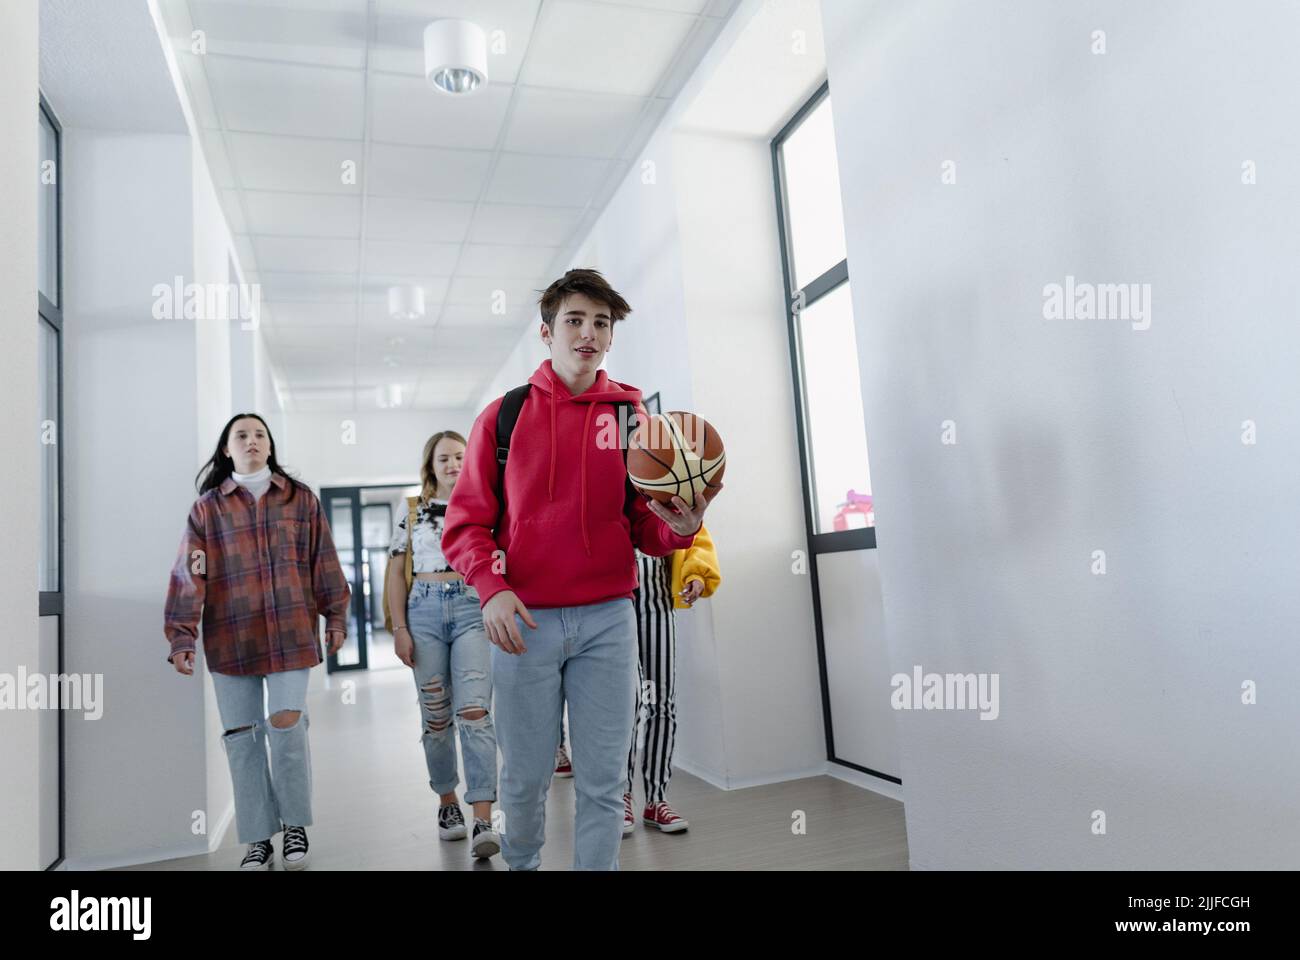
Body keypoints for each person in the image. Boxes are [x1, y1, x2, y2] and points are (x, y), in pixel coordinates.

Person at [442, 268, 721, 871]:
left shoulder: (633, 421)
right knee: (524, 779)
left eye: (601, 323)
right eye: (575, 320)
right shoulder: (503, 418)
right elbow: (464, 526)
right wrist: (490, 590)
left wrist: (681, 524)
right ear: (547, 332)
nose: (588, 333)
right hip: (524, 625)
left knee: (602, 781)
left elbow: (644, 528)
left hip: (608, 621)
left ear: (612, 336)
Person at [164, 413, 350, 870]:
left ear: (269, 446)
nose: (251, 441)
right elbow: (190, 575)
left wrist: (335, 616)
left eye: (259, 435)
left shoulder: (300, 500)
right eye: (241, 435)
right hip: (231, 637)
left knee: (286, 729)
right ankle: (257, 837)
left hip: (290, 632)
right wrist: (182, 635)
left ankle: (293, 827)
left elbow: (322, 560)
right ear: (227, 449)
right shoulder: (207, 508)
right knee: (243, 739)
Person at [385, 431, 500, 859]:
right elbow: (397, 571)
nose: (453, 464)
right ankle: (448, 803)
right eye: (444, 458)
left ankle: (484, 819)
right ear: (430, 467)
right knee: (436, 718)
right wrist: (400, 628)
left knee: (475, 711)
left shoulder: (487, 504)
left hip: (472, 608)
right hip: (425, 611)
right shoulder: (412, 509)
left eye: (460, 456)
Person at [623, 527, 721, 835]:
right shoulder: (606, 481)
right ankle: (620, 796)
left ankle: (656, 799)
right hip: (613, 605)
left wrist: (697, 575)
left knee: (661, 703)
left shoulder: (668, 486)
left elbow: (694, 536)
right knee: (626, 704)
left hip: (659, 606)